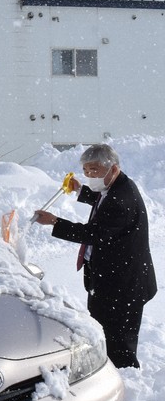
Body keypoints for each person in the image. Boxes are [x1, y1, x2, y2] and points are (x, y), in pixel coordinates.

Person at [34, 144, 157, 368]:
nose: (90, 175)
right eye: (86, 170)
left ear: (113, 169)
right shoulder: (116, 188)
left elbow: (93, 233)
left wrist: (54, 221)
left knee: (119, 344)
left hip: (123, 286)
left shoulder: (121, 200)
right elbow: (102, 200)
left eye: (95, 170)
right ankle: (107, 369)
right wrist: (81, 190)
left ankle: (125, 380)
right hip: (112, 280)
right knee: (102, 331)